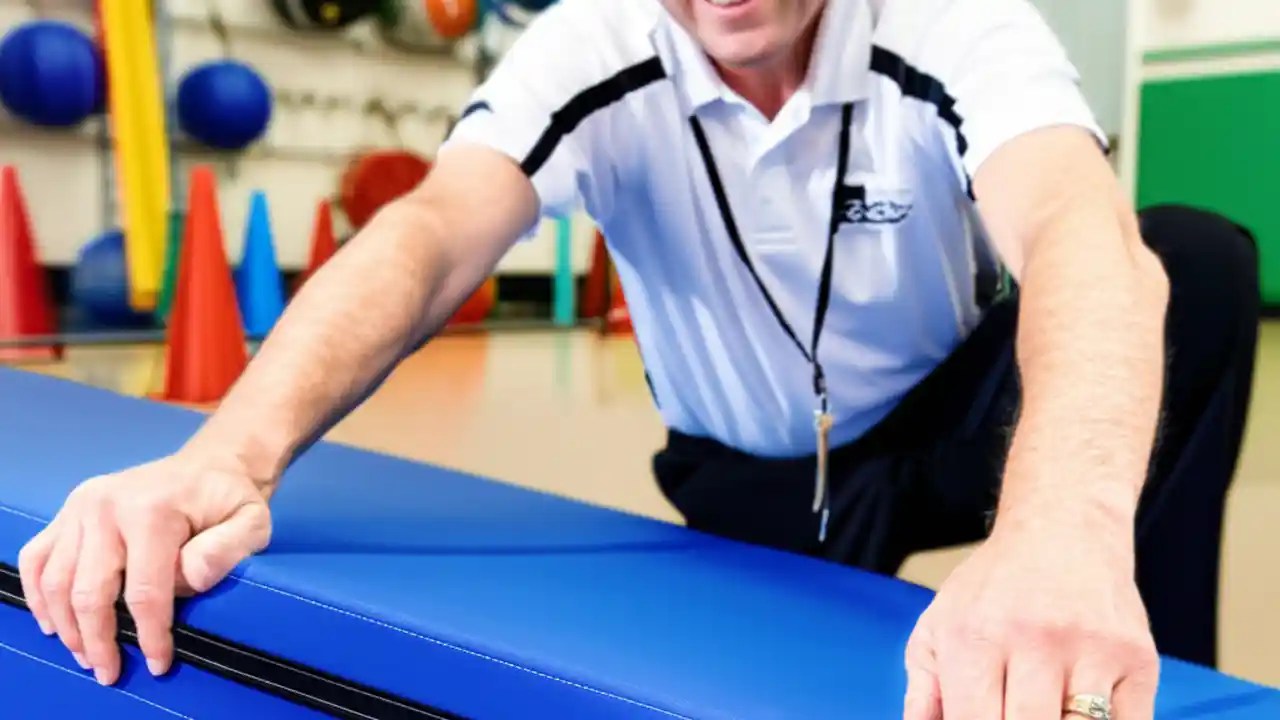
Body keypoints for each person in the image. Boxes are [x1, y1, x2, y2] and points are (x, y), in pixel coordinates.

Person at [17, 0, 1258, 717]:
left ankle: (1125, 651)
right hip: (744, 465)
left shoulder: (949, 21)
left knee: (1188, 257)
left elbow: (1073, 230)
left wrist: (1059, 537)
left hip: (947, 428)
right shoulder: (589, 43)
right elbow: (436, 232)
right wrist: (222, 457)